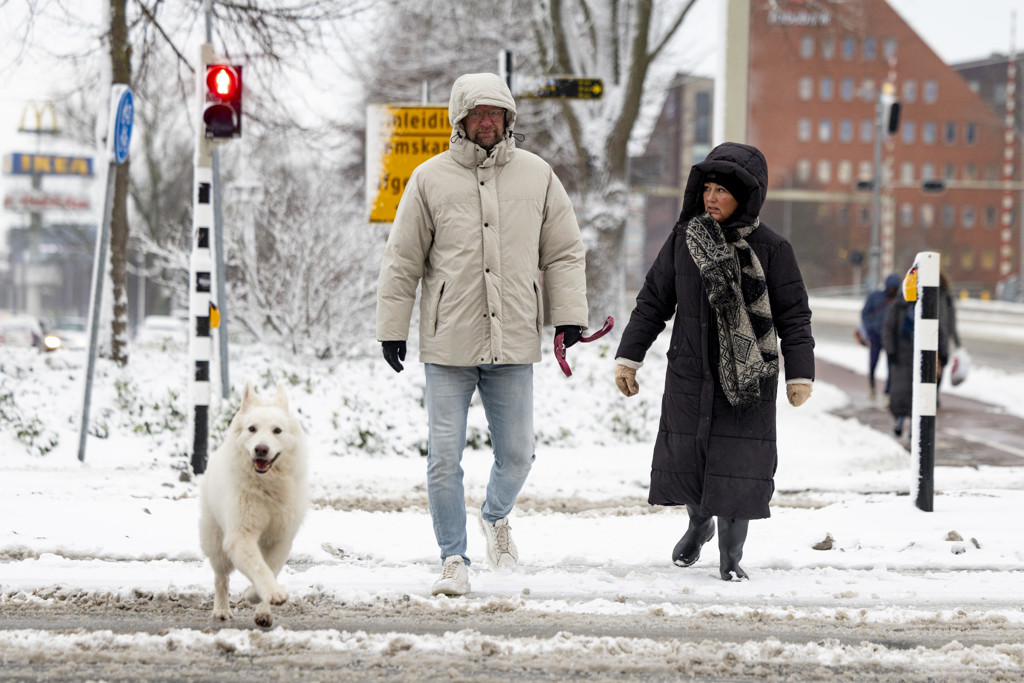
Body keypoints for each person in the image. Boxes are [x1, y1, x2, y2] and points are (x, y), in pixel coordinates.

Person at [376, 73, 588, 597]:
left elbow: (563, 250)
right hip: (448, 340)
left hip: (514, 335)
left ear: (509, 118)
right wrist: (391, 328)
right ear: (461, 119)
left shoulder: (538, 175)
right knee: (443, 457)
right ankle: (453, 558)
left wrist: (567, 315)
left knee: (518, 454)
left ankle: (495, 517)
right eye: (479, 113)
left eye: (497, 112)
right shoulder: (428, 179)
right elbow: (403, 259)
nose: (488, 121)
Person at [613, 142, 815, 582]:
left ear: (746, 196)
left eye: (722, 190)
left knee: (738, 465)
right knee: (689, 457)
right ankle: (698, 522)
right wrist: (629, 357)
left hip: (749, 376)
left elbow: (794, 316)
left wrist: (800, 373)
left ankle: (731, 557)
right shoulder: (684, 242)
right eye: (707, 187)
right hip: (690, 371)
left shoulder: (773, 249)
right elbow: (653, 302)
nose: (711, 198)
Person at [860, 273, 901, 401]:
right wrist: (870, 328)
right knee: (873, 362)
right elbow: (865, 313)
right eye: (890, 288)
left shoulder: (900, 299)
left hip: (892, 337)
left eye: (894, 288)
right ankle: (871, 385)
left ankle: (887, 392)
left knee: (891, 366)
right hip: (876, 335)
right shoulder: (875, 296)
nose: (891, 291)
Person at [882, 293, 914, 437]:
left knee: (916, 393)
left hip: (917, 357)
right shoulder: (897, 307)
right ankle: (899, 421)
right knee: (899, 392)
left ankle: (915, 427)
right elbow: (887, 329)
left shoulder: (925, 306)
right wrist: (891, 351)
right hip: (900, 357)